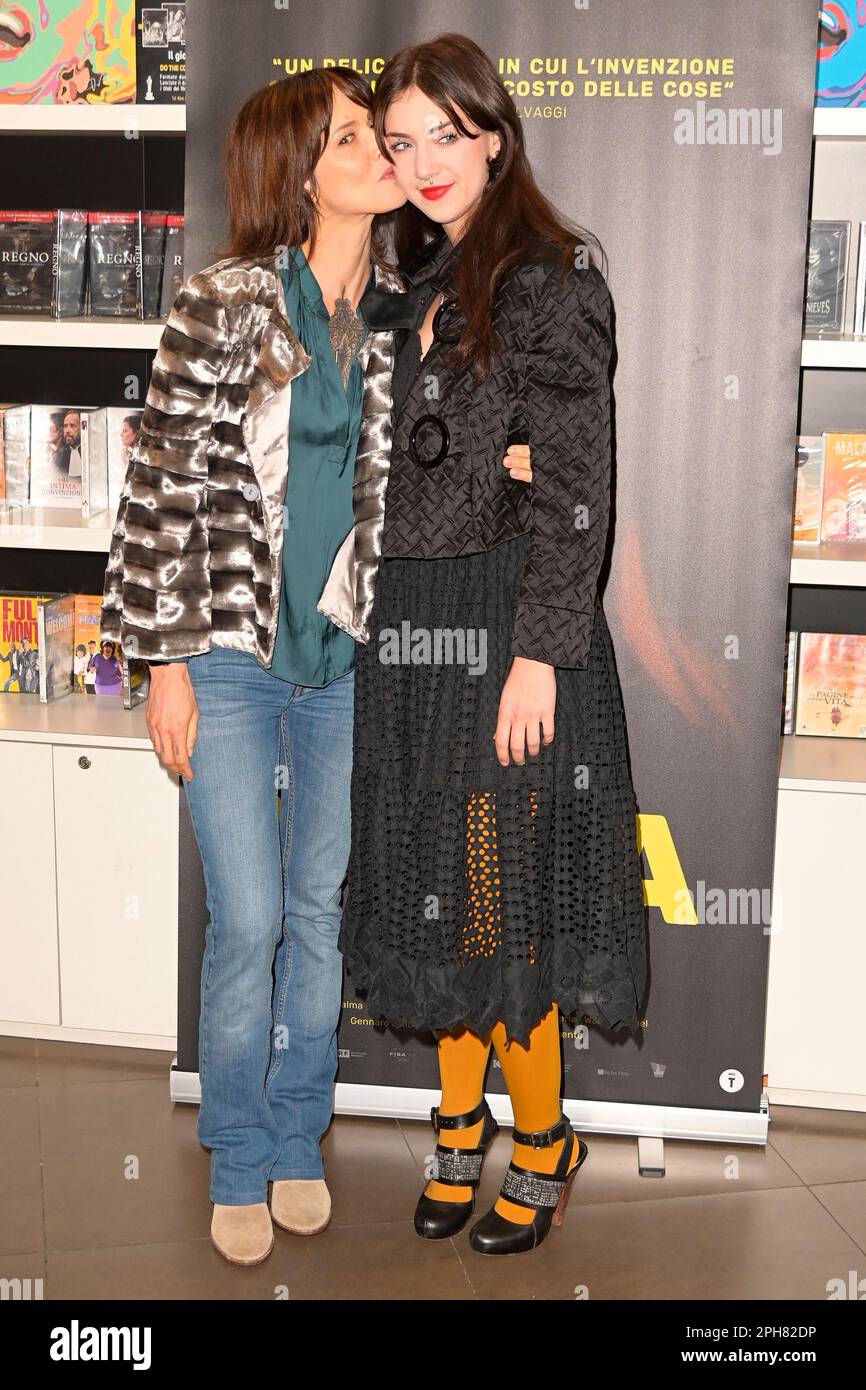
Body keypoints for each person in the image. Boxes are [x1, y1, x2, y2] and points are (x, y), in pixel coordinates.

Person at [99, 65, 533, 1268]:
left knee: (316, 912)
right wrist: (167, 664)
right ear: (299, 171)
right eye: (353, 136)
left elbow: (427, 479)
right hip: (232, 662)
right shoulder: (222, 302)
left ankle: (298, 1139)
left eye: (375, 134)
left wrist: (512, 463)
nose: (382, 153)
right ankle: (235, 1154)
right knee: (245, 922)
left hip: (348, 668)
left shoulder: (407, 308)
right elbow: (160, 494)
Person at [338, 33, 649, 1256]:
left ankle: (541, 1137)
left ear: (493, 136)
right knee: (437, 892)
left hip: (505, 632)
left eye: (441, 137)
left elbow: (578, 487)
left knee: (496, 900)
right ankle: (454, 1124)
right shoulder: (413, 280)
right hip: (408, 633)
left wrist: (539, 653)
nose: (420, 162)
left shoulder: (550, 279)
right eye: (400, 142)